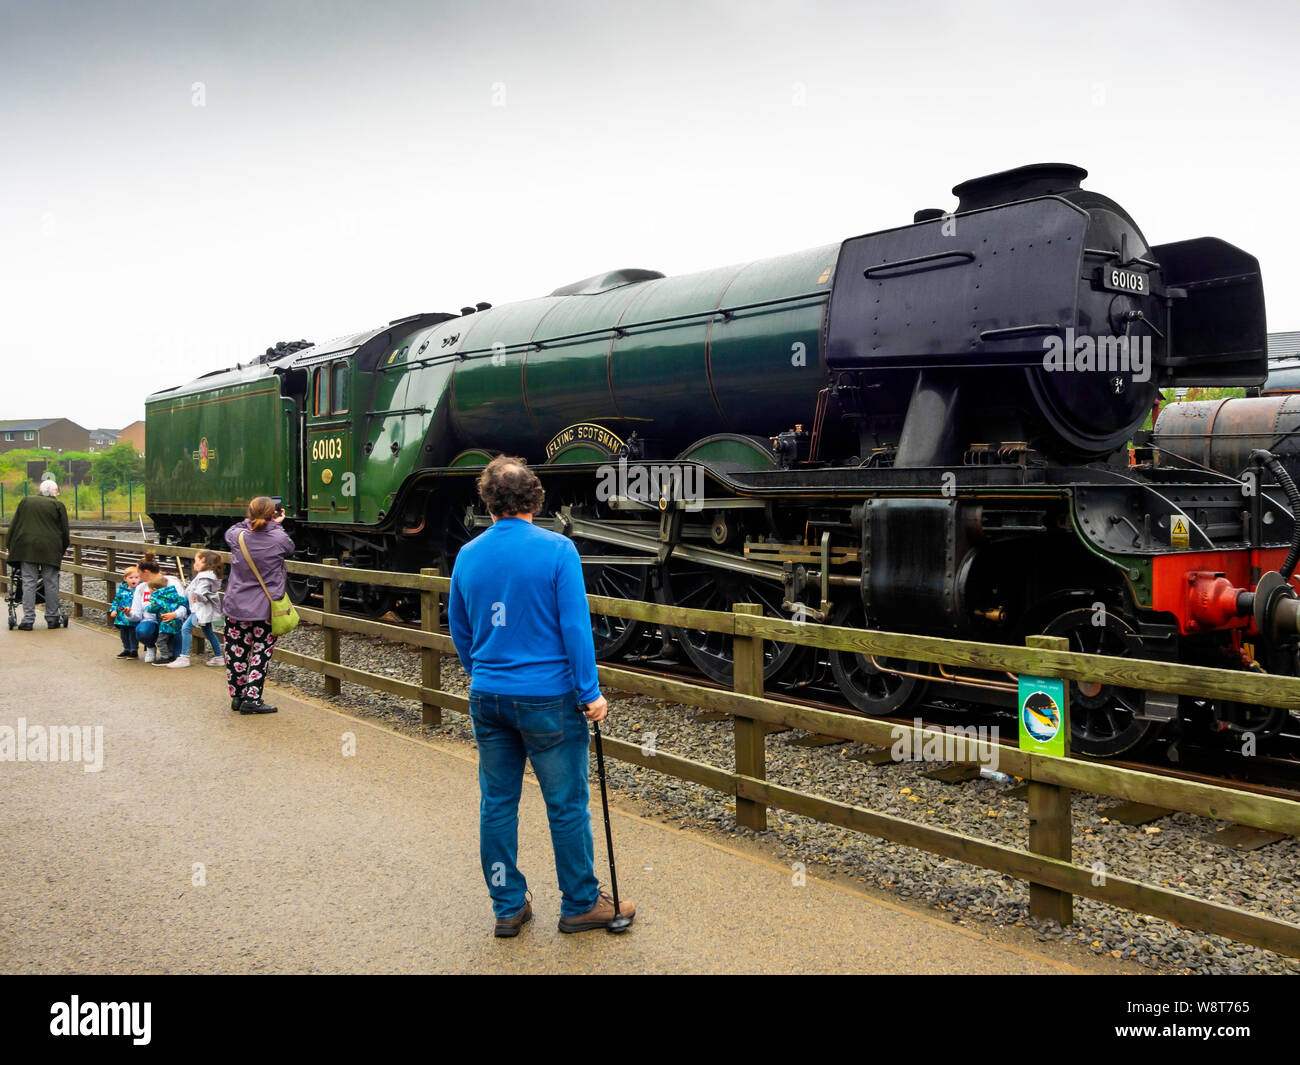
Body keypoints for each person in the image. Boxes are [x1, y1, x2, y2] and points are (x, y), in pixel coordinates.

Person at [449, 455, 635, 938]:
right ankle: (580, 903)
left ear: (487, 500)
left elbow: (461, 629)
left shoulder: (468, 555)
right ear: (535, 496)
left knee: (497, 803)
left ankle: (508, 906)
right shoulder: (558, 550)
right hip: (550, 699)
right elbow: (575, 628)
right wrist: (590, 692)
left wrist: (484, 672)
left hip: (488, 696)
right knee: (567, 804)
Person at [223, 496, 293, 715]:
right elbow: (289, 549)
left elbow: (232, 529)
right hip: (265, 609)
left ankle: (237, 696)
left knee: (236, 651)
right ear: (275, 514)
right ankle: (252, 699)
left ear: (249, 514)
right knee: (261, 651)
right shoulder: (279, 538)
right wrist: (275, 523)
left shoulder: (237, 536)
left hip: (236, 605)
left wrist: (251, 520)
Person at [6, 477, 69, 630]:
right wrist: (62, 549)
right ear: (53, 491)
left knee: (28, 582)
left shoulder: (26, 501)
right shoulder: (58, 505)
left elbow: (14, 525)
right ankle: (53, 618)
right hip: (50, 549)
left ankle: (27, 620)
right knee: (51, 582)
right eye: (57, 491)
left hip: (26, 548)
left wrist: (9, 546)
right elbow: (65, 532)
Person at [169, 550, 225, 668]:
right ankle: (219, 657)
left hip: (201, 611)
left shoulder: (205, 577)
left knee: (185, 628)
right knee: (208, 632)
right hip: (203, 610)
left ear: (203, 561)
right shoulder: (207, 575)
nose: (194, 564)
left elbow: (201, 592)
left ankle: (184, 657)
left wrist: (194, 594)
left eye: (196, 561)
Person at [128, 552, 185, 663]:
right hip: (151, 621)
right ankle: (151, 647)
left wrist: (175, 614)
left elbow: (183, 605)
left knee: (176, 655)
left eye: (139, 573)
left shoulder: (172, 583)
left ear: (146, 572)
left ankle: (172, 654)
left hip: (171, 621)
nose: (138, 576)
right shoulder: (141, 588)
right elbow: (137, 614)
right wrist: (129, 614)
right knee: (142, 631)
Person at [141, 571, 187, 664]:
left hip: (165, 624)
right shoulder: (172, 595)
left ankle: (164, 657)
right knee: (169, 639)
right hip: (176, 622)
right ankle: (170, 655)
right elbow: (183, 601)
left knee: (161, 641)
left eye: (149, 590)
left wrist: (148, 606)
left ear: (154, 589)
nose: (149, 592)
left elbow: (151, 609)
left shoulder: (158, 599)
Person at [109, 566, 142, 658]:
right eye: (131, 578)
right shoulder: (121, 589)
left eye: (136, 577)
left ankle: (134, 650)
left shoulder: (139, 589)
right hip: (121, 617)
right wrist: (113, 610)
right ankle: (126, 649)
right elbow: (116, 600)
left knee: (132, 634)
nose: (133, 580)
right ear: (125, 579)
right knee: (124, 634)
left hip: (133, 616)